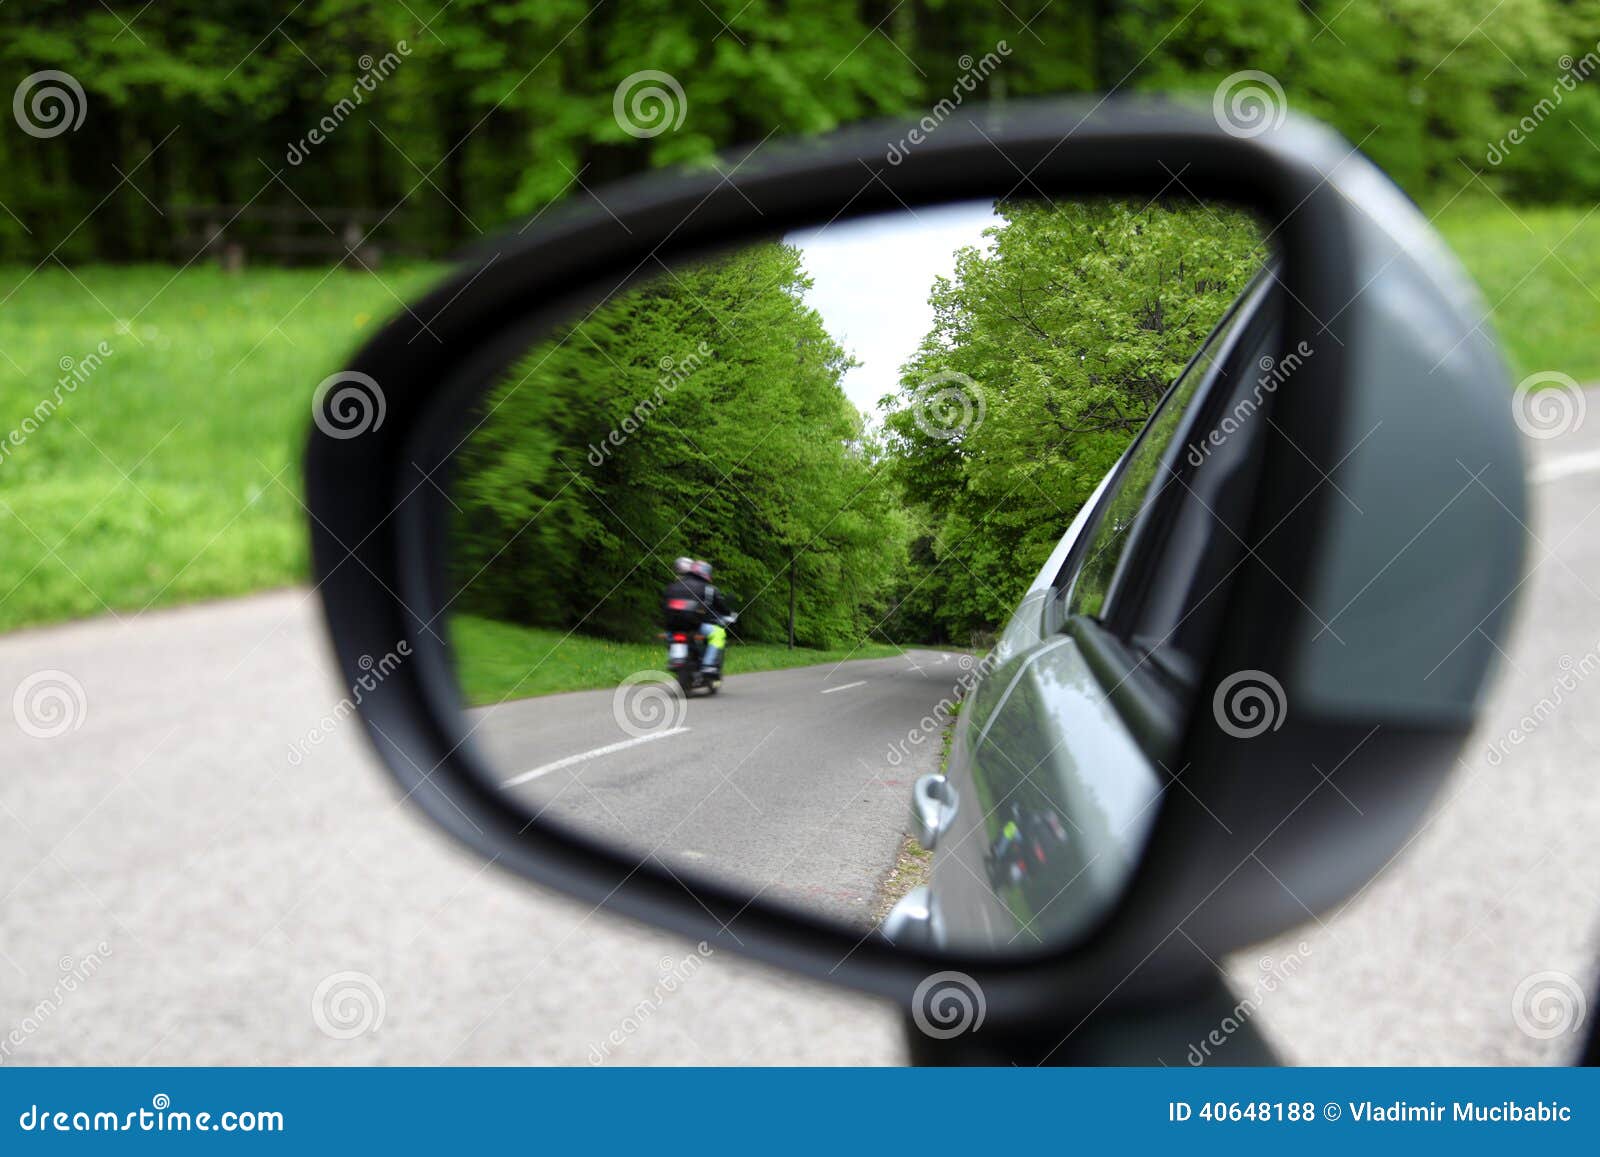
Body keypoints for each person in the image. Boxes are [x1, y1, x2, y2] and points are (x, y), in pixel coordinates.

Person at [661, 557, 735, 673]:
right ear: (706, 573)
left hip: (672, 626)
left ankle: (674, 658)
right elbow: (720, 607)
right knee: (719, 633)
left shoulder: (674, 585)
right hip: (694, 626)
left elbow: (664, 605)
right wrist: (730, 615)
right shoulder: (707, 588)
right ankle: (708, 664)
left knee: (671, 636)